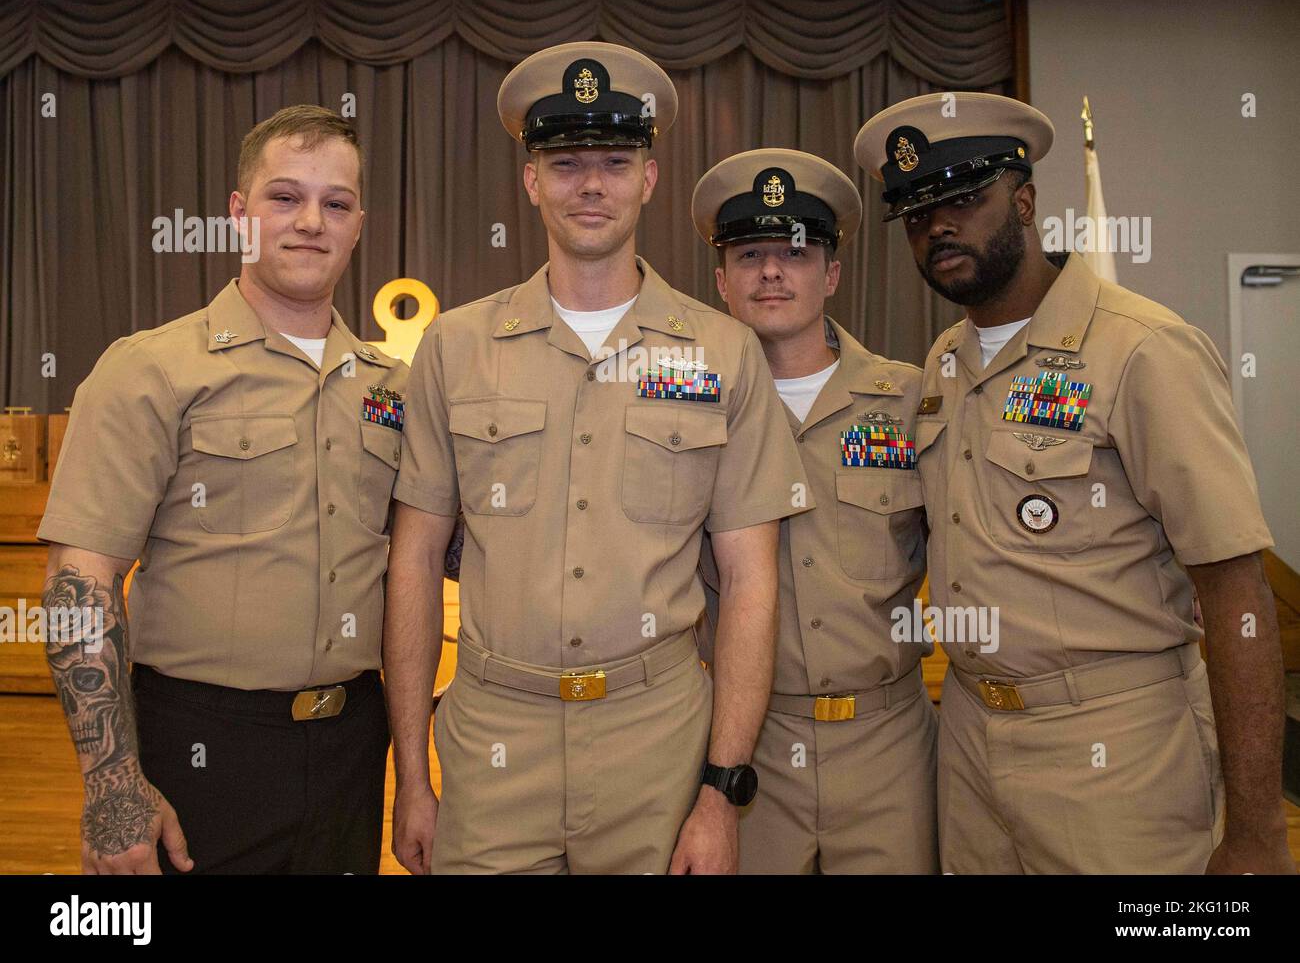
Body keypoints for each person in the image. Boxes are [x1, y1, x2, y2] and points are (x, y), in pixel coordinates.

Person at [385, 42, 810, 874]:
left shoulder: (723, 350)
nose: (591, 184)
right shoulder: (456, 346)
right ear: (531, 181)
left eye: (615, 162)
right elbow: (413, 560)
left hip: (656, 745)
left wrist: (721, 792)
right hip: (492, 738)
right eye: (566, 161)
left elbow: (753, 581)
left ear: (649, 179)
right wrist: (410, 774)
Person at [852, 91, 1293, 874]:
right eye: (918, 213)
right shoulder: (941, 366)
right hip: (970, 743)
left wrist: (1258, 830)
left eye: (963, 199)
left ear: (1023, 200)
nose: (939, 227)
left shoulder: (1141, 349)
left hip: (1117, 751)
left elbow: (1236, 591)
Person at [38, 105, 405, 874]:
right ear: (239, 215)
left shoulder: (390, 387)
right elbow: (81, 579)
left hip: (351, 745)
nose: (311, 221)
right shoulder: (153, 368)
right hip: (201, 748)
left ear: (358, 223)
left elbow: (438, 549)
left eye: (335, 203)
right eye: (284, 197)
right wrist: (113, 784)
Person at [695, 148, 939, 873]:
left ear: (830, 273)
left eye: (794, 253)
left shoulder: (911, 400)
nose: (772, 271)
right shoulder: (684, 410)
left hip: (888, 745)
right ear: (721, 280)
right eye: (749, 253)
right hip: (743, 748)